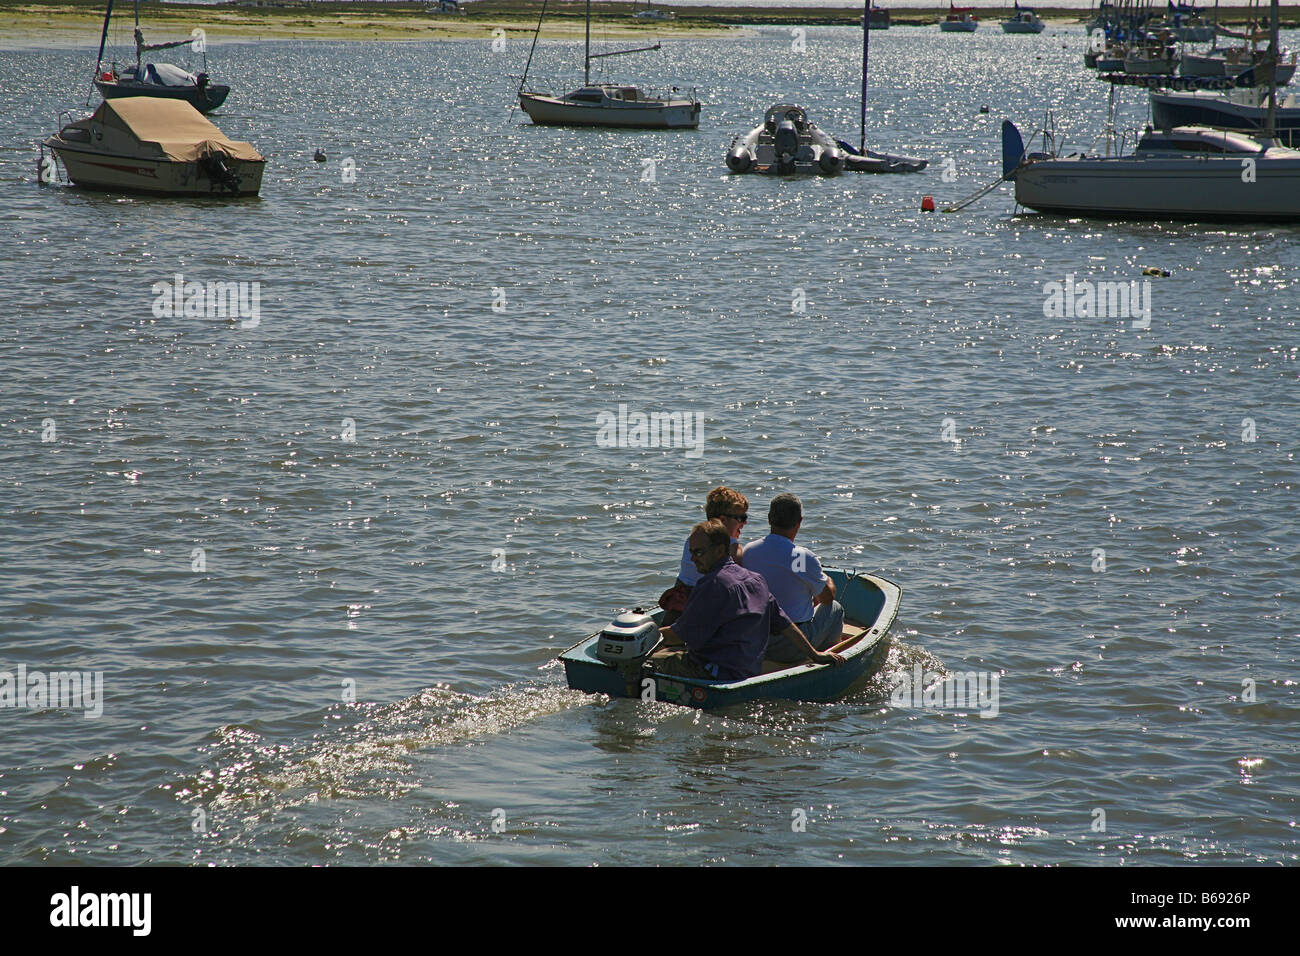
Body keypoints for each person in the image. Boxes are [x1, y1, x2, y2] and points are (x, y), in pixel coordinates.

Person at [654, 520, 844, 681]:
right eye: (691, 552)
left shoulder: (711, 584)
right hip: (746, 670)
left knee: (643, 662)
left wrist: (647, 634)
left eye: (699, 553)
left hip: (711, 672)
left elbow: (680, 635)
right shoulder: (756, 580)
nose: (693, 559)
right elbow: (784, 623)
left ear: (720, 550)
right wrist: (815, 655)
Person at [740, 493, 846, 664]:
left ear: (769, 519)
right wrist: (827, 580)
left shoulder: (750, 550)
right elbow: (827, 598)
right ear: (799, 522)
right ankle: (830, 656)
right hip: (792, 646)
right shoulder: (800, 557)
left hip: (757, 641)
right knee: (835, 608)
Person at [658, 486, 749, 624]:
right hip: (704, 601)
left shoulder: (694, 537)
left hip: (679, 597)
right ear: (723, 520)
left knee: (669, 635)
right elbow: (734, 575)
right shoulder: (732, 547)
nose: (745, 523)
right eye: (741, 518)